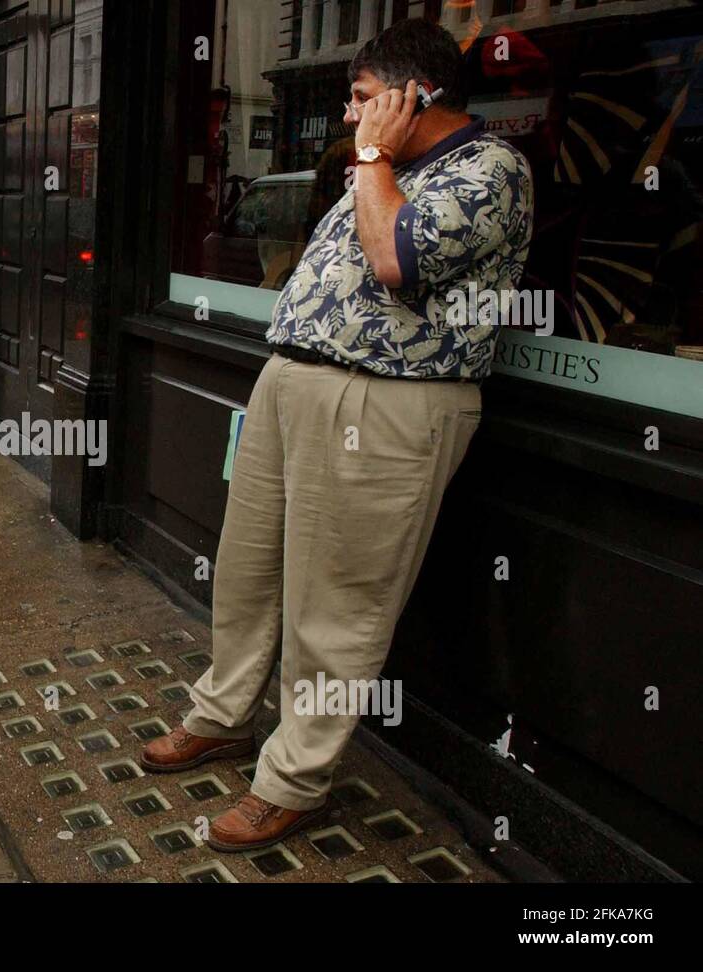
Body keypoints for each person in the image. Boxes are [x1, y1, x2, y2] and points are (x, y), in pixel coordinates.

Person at [140, 18, 535, 852]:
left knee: (338, 607)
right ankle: (223, 714)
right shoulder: (378, 169)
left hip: (387, 403)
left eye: (361, 100)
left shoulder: (490, 169)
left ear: (412, 97)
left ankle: (293, 781)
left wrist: (374, 159)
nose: (352, 119)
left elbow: (397, 260)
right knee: (247, 571)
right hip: (293, 384)